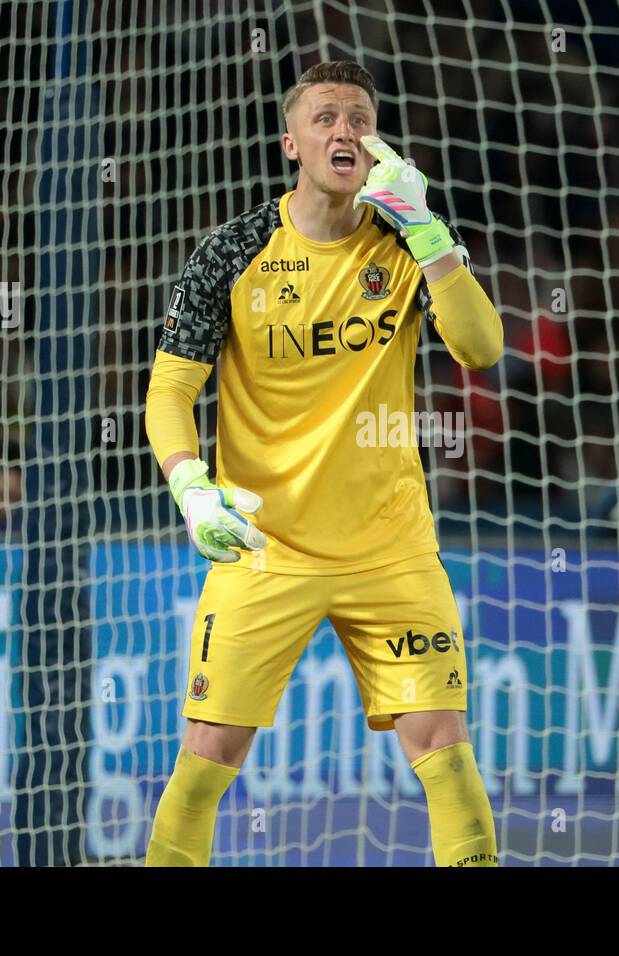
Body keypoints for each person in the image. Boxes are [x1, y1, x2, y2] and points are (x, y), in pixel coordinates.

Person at [144, 61, 503, 866]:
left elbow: (482, 348)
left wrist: (432, 234)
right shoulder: (233, 252)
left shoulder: (409, 242)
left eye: (360, 119)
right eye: (326, 118)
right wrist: (192, 489)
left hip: (392, 547)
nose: (345, 131)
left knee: (444, 751)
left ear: (377, 147)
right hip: (263, 547)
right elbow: (169, 392)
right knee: (207, 756)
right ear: (291, 144)